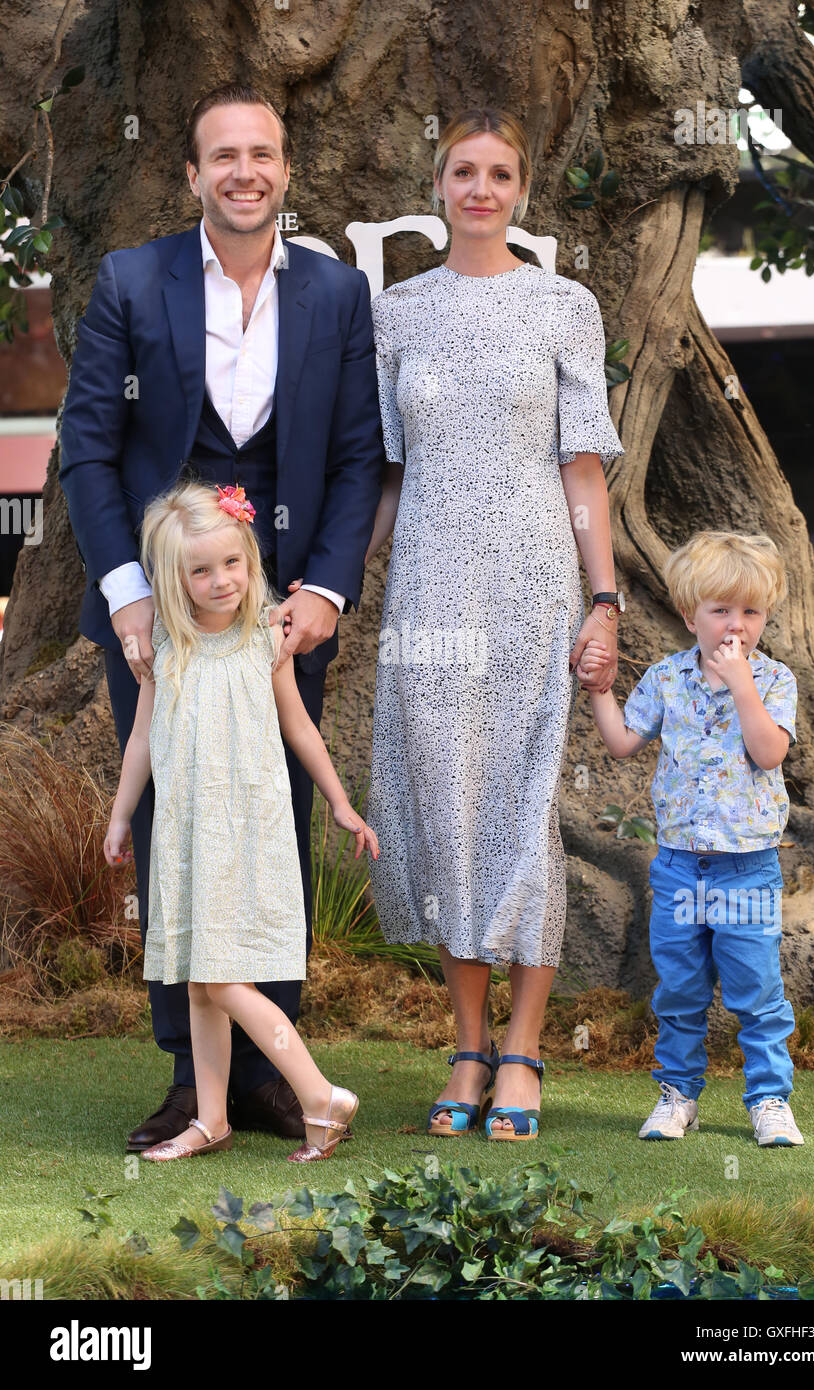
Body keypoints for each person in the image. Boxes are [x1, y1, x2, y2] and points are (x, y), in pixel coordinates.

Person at [59, 84, 383, 1151]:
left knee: (276, 825)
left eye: (263, 154)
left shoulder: (337, 292)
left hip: (279, 615)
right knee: (171, 824)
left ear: (286, 170)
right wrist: (127, 593)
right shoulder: (130, 280)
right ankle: (188, 1078)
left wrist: (325, 589)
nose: (245, 172)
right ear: (191, 173)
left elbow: (355, 457)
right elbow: (88, 449)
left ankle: (270, 1077)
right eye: (224, 156)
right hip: (160, 610)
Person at [364, 108, 624, 1141]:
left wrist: (603, 600)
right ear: (436, 186)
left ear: (522, 189)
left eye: (499, 173)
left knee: (521, 808)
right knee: (442, 809)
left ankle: (522, 1048)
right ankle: (466, 1047)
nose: (480, 189)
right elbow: (388, 476)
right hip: (428, 590)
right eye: (463, 172)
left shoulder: (565, 305)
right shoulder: (397, 314)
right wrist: (325, 584)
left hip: (532, 582)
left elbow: (582, 470)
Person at [103, 481, 378, 1163]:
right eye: (201, 570)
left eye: (232, 562)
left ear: (250, 558)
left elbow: (300, 728)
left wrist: (340, 802)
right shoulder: (165, 645)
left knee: (226, 979)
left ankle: (319, 1095)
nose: (221, 579)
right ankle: (212, 1119)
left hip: (248, 829)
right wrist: (120, 815)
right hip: (189, 834)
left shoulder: (265, 639)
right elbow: (142, 740)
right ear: (176, 580)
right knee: (201, 982)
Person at [584, 531, 804, 1147]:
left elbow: (769, 752)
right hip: (681, 866)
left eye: (751, 611)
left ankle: (769, 1099)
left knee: (756, 991)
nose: (737, 625)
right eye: (721, 609)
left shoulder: (774, 680)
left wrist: (741, 683)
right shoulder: (666, 678)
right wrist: (600, 691)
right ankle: (678, 1095)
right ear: (690, 615)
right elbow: (622, 741)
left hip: (747, 868)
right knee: (680, 989)